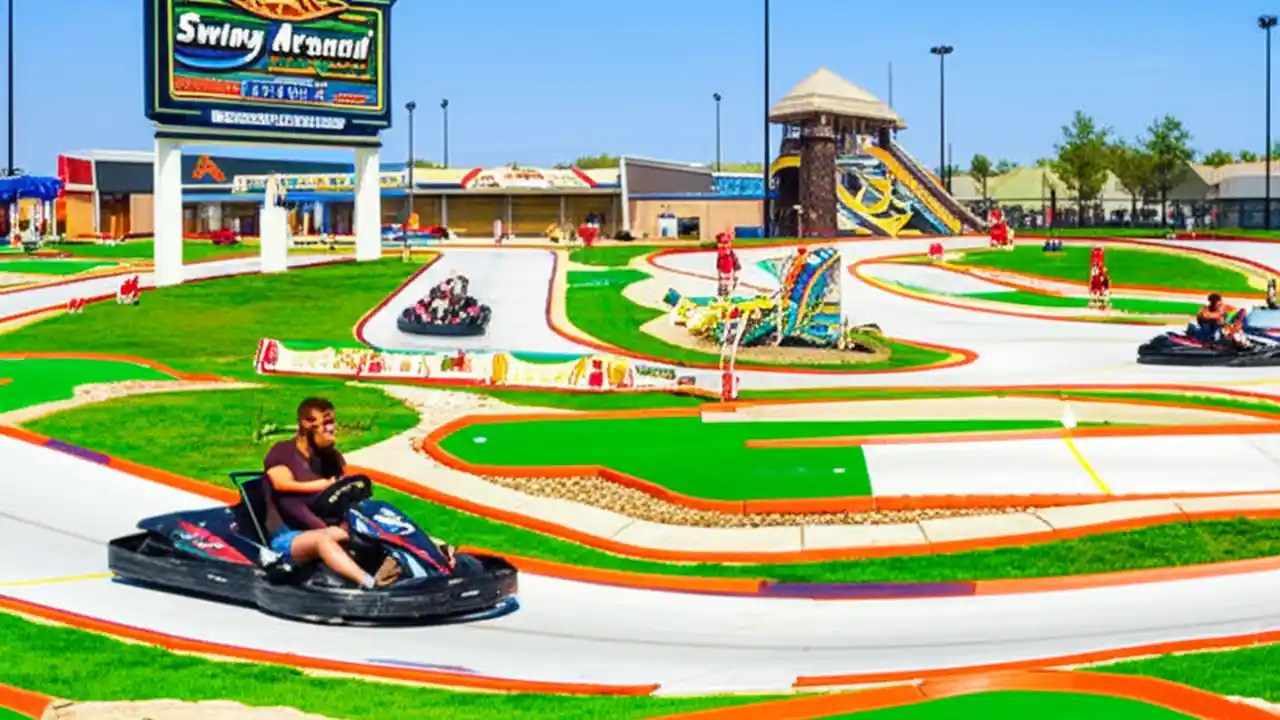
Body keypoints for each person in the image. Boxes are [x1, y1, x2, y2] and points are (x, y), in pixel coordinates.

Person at [262, 397, 398, 589]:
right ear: (307, 424)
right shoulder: (282, 452)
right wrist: (325, 485)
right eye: (326, 423)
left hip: (329, 527)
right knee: (323, 540)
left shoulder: (332, 457)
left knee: (377, 523)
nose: (332, 429)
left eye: (332, 422)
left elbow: (342, 492)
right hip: (289, 536)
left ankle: (422, 563)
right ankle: (370, 584)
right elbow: (281, 484)